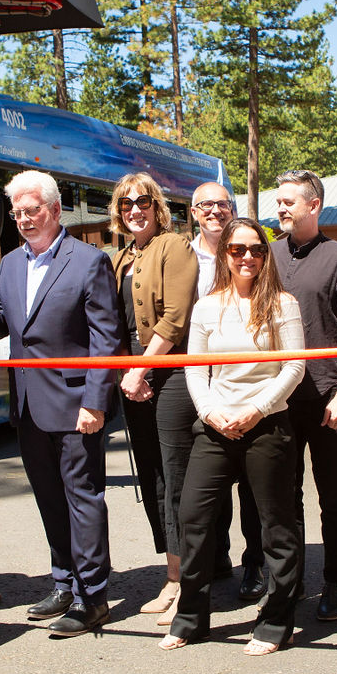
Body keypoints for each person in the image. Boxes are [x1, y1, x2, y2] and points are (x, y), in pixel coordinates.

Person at [0, 170, 123, 638]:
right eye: (18, 213)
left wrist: (95, 401)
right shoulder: (10, 263)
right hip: (28, 404)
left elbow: (106, 339)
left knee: (83, 500)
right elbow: (4, 323)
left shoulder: (89, 261)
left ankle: (93, 597)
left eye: (33, 210)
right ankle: (63, 582)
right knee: (50, 500)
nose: (25, 219)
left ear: (54, 210)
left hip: (76, 406)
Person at [162, 218, 306, 655]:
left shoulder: (283, 304)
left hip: (266, 426)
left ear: (266, 255)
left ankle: (276, 621)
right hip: (215, 426)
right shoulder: (208, 306)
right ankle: (190, 618)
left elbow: (294, 367)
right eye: (237, 249)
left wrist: (256, 410)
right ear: (224, 253)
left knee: (276, 526)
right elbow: (195, 368)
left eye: (257, 249)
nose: (247, 257)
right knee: (195, 518)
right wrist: (211, 412)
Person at [270, 169, 337, 622]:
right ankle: (286, 584)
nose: (281, 207)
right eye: (279, 200)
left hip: (326, 395)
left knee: (332, 496)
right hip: (278, 398)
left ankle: (335, 581)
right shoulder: (267, 255)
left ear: (314, 206)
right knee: (283, 497)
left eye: (290, 201)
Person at [110, 172, 199, 625]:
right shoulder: (123, 256)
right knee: (152, 479)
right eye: (126, 205)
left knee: (176, 478)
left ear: (157, 205)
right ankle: (171, 574)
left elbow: (176, 316)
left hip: (171, 373)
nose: (134, 210)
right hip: (135, 379)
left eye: (142, 201)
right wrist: (129, 373)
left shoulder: (175, 246)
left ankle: (186, 584)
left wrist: (142, 368)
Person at [189, 181, 265, 598]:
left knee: (254, 492)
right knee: (206, 491)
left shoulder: (254, 249)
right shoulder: (182, 253)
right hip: (203, 384)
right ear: (194, 212)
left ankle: (255, 565)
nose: (214, 211)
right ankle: (215, 561)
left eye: (222, 204)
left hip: (253, 392)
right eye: (205, 205)